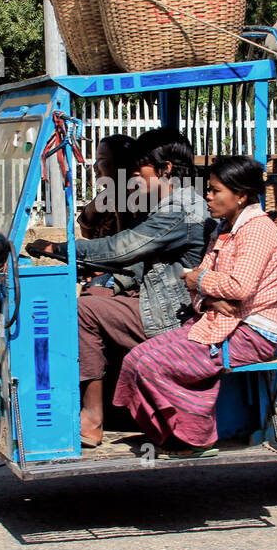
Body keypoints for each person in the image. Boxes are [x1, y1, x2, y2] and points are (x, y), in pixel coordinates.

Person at [24, 128, 210, 448]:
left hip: (173, 313)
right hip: (160, 298)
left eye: (141, 169)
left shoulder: (180, 208)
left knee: (85, 311)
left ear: (166, 169)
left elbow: (125, 247)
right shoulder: (166, 203)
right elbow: (137, 259)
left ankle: (92, 418)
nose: (135, 176)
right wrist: (103, 278)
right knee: (95, 295)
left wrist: (66, 250)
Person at [112, 156, 277, 458]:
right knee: (135, 360)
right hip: (217, 322)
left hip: (251, 333)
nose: (207, 196)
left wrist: (203, 282)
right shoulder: (223, 229)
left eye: (215, 190)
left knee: (150, 365)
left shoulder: (256, 230)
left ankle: (196, 437)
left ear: (242, 195)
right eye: (208, 189)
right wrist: (207, 294)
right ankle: (174, 433)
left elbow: (237, 287)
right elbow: (192, 283)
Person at [77, 134, 139, 240]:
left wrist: (120, 214)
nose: (95, 166)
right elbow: (88, 234)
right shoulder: (108, 195)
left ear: (121, 162)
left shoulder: (136, 199)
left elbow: (125, 247)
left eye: (101, 159)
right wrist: (89, 210)